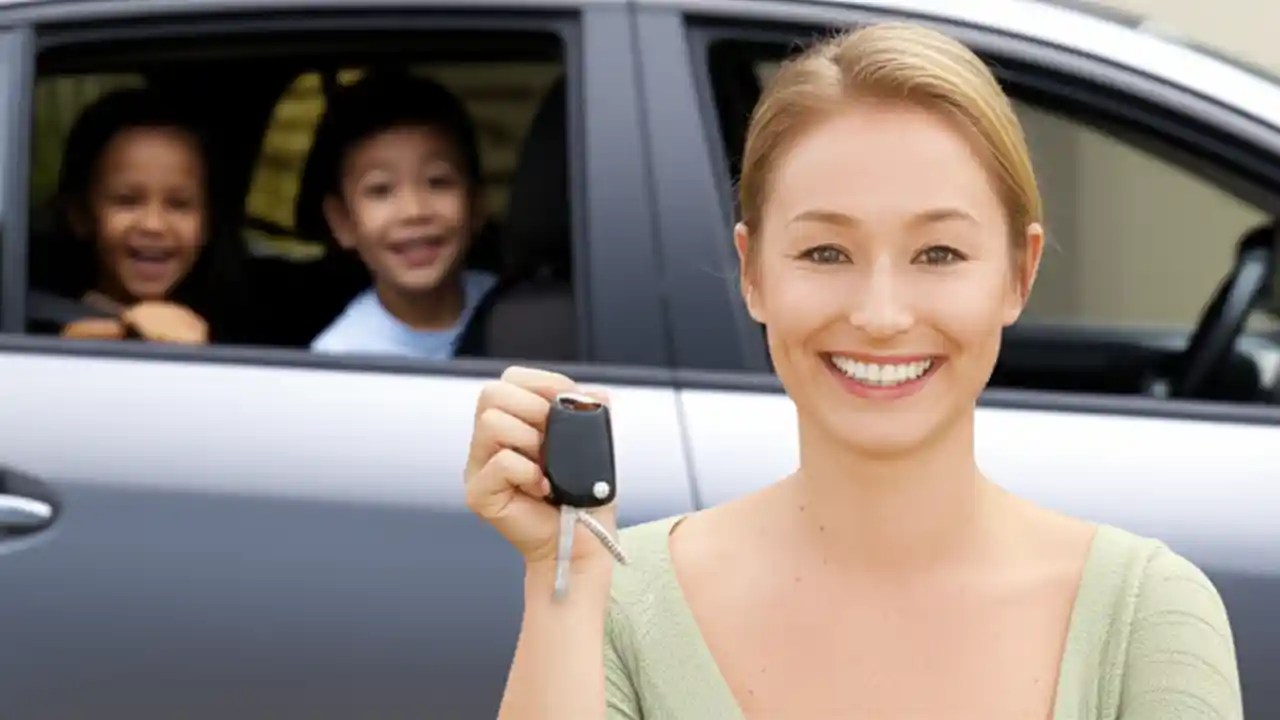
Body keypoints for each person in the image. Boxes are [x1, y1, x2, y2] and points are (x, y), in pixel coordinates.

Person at [463, 22, 1243, 720]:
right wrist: (559, 578)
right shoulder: (618, 602)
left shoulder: (1147, 617)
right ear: (753, 272)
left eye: (938, 253)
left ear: (1018, 272)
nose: (879, 313)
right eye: (825, 252)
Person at [304, 72, 497, 358]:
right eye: (380, 190)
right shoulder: (341, 358)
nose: (414, 212)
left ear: (477, 204)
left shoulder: (509, 307)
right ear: (342, 222)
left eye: (438, 182)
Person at [34, 87, 223, 345]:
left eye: (179, 205)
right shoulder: (49, 334)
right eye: (127, 201)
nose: (153, 225)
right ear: (82, 215)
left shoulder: (238, 328)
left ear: (206, 222)